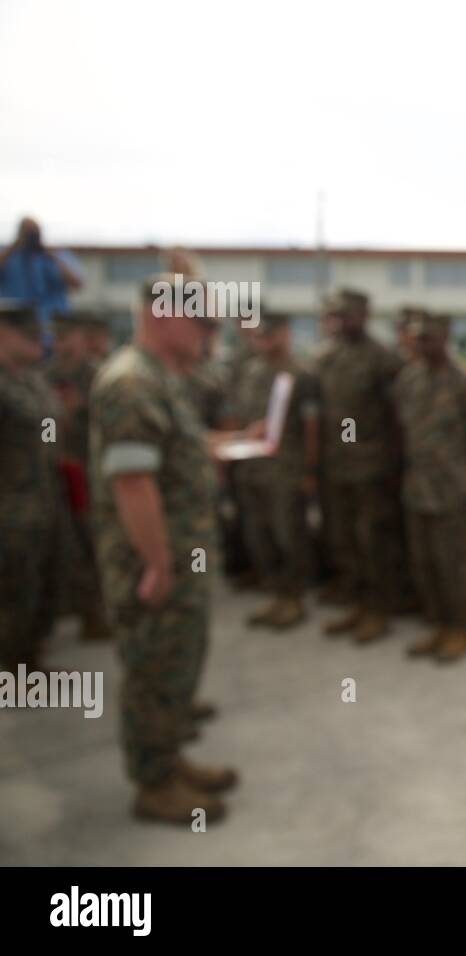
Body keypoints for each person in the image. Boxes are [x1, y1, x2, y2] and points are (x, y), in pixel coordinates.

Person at [88, 276, 241, 823]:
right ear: (165, 315)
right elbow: (132, 482)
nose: (210, 334)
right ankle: (152, 783)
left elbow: (170, 452)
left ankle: (169, 757)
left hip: (180, 557)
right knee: (153, 671)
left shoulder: (160, 379)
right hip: (153, 562)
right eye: (203, 322)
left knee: (177, 666)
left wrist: (216, 447)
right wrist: (156, 562)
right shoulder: (132, 382)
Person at [395, 310, 466, 662]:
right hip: (417, 488)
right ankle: (438, 626)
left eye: (430, 338)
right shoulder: (408, 379)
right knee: (424, 564)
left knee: (453, 565)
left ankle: (461, 629)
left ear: (445, 339)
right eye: (418, 338)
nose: (423, 345)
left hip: (453, 489)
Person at [315, 288, 406, 643]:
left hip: (371, 467)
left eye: (346, 314)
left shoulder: (382, 359)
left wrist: (395, 467)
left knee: (374, 543)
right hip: (336, 466)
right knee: (343, 539)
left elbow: (396, 418)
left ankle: (379, 610)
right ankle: (356, 604)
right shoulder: (328, 356)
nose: (340, 321)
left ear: (363, 316)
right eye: (335, 314)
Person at [233, 312, 320, 630]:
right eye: (261, 334)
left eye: (272, 334)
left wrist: (310, 471)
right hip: (253, 467)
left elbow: (312, 425)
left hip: (287, 468)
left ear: (286, 334)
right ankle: (275, 595)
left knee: (289, 535)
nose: (265, 340)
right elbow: (242, 416)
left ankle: (294, 599)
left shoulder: (301, 374)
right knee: (260, 535)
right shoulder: (252, 371)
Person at [0, 301, 61, 672]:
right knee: (11, 592)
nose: (40, 344)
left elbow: (50, 430)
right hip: (9, 504)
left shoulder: (33, 379)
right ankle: (13, 670)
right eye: (30, 336)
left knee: (41, 585)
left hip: (44, 499)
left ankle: (29, 660)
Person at [43, 309, 110, 641]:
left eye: (67, 336)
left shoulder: (100, 376)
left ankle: (95, 612)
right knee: (69, 544)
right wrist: (57, 424)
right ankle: (79, 609)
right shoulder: (47, 376)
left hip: (93, 471)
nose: (61, 344)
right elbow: (45, 434)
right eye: (56, 337)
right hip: (59, 472)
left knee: (95, 543)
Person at [0, 218, 82, 349]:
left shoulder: (56, 255)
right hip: (17, 332)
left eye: (33, 233)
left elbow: (77, 283)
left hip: (54, 330)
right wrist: (14, 247)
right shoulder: (7, 255)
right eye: (27, 233)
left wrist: (51, 256)